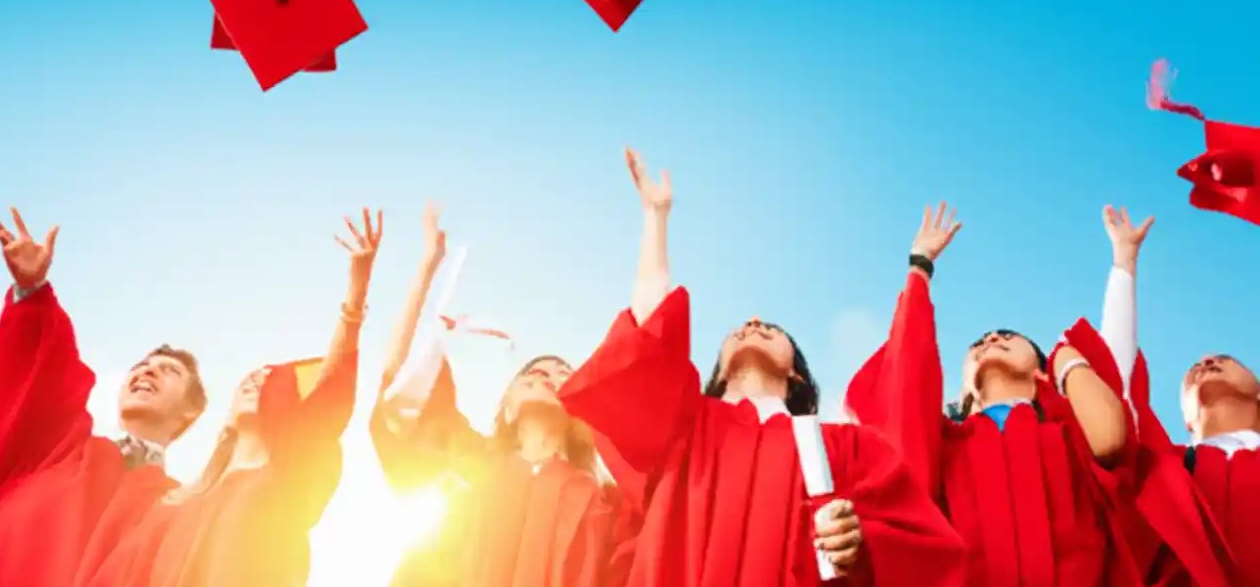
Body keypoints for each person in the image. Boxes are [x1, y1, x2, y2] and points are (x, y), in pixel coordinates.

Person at [556, 149, 967, 587]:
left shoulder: (844, 446)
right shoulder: (682, 427)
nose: (753, 323)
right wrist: (655, 221)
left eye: (771, 327)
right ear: (716, 372)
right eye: (742, 327)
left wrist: (859, 539)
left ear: (798, 375)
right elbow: (643, 349)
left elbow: (918, 543)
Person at [845, 203, 1146, 585]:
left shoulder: (1069, 433)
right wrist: (919, 267)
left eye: (1007, 337)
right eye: (979, 343)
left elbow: (1113, 412)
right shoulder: (944, 447)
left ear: (1041, 370)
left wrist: (1121, 268)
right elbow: (905, 385)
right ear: (964, 385)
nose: (990, 339)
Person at [80, 207, 381, 587]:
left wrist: (354, 301)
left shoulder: (288, 480)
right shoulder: (175, 506)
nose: (256, 381)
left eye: (269, 382)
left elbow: (330, 401)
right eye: (248, 379)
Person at [370, 204, 624, 587]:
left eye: (562, 373)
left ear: (581, 418)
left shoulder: (604, 504)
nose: (546, 373)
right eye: (532, 371)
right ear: (505, 409)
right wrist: (427, 270)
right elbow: (402, 386)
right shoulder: (465, 461)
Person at [0, 208, 208, 587]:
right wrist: (32, 291)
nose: (148, 370)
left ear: (190, 413)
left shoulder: (182, 513)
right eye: (143, 364)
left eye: (170, 371)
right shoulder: (51, 453)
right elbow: (39, 379)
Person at [1096, 207, 1241, 585]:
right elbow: (1114, 388)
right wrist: (1124, 264)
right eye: (1195, 368)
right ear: (1185, 417)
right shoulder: (1165, 471)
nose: (1208, 361)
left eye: (1225, 359)